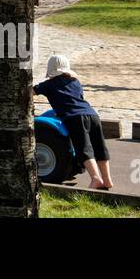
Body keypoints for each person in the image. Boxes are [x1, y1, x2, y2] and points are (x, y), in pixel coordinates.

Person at [34, 54, 113, 190]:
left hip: (75, 118)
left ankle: (96, 179)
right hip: (92, 115)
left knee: (84, 149)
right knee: (99, 148)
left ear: (51, 71)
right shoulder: (75, 82)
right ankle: (107, 180)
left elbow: (30, 91)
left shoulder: (48, 85)